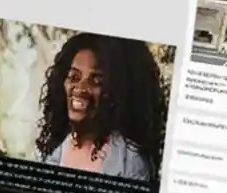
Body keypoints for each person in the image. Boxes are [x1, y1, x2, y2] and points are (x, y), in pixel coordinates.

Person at [36, 33, 164, 182]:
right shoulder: (57, 151)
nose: (80, 88)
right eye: (74, 77)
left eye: (96, 81)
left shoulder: (129, 162)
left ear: (118, 92)